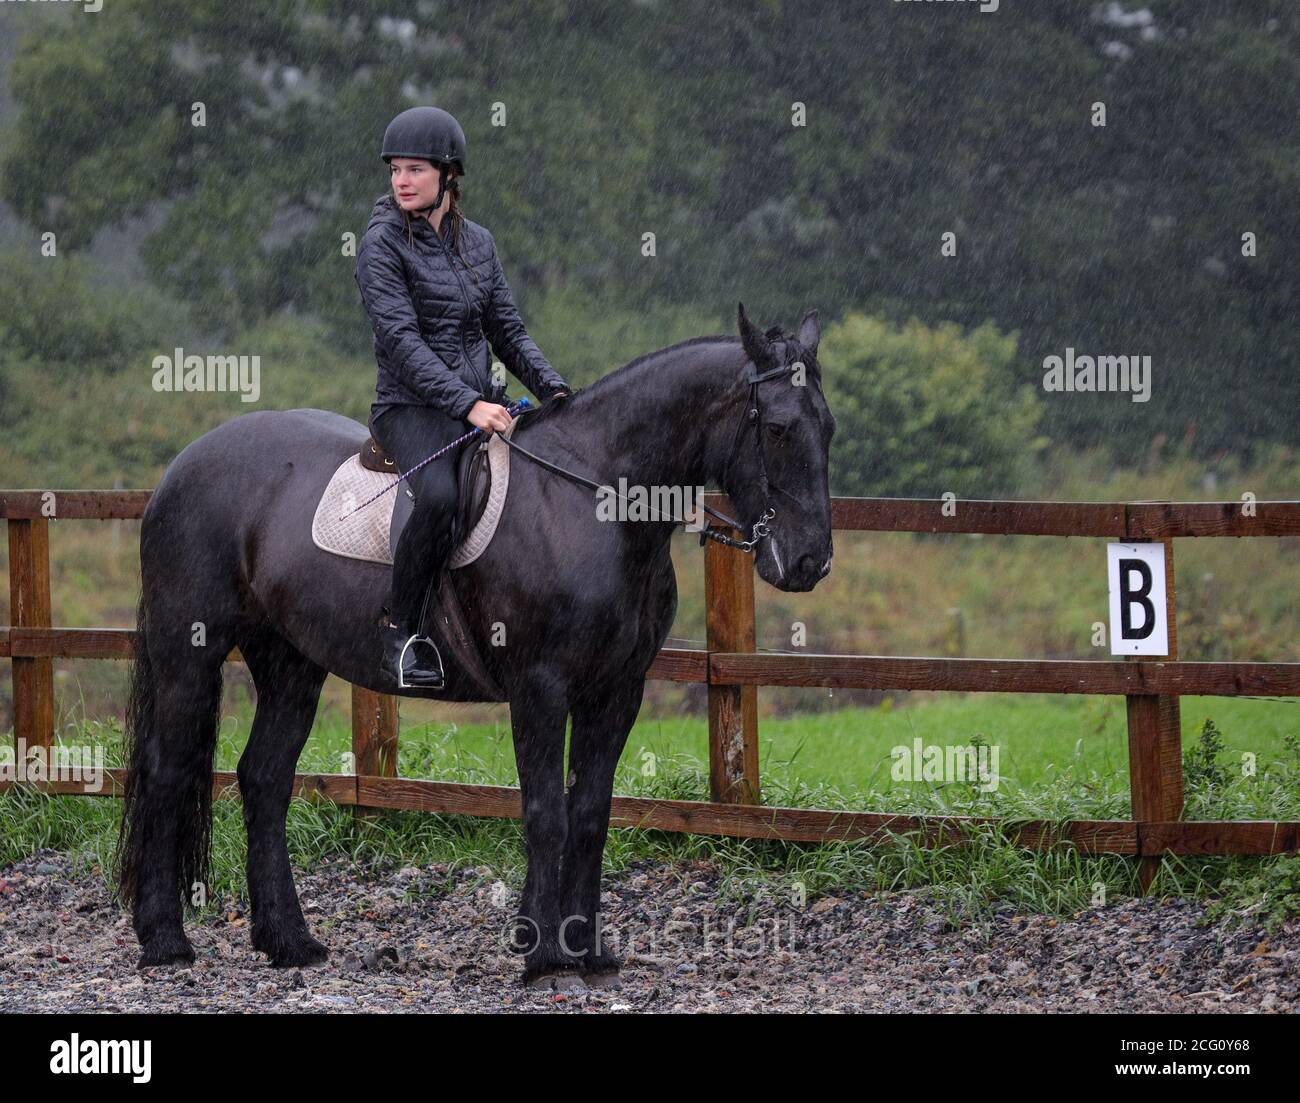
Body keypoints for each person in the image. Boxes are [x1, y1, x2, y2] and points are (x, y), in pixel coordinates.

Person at [355, 106, 570, 689]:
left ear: (448, 177)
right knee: (443, 496)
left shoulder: (478, 243)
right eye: (395, 170)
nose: (401, 180)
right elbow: (401, 344)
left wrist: (554, 389)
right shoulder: (380, 245)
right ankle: (401, 634)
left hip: (478, 401)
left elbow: (508, 331)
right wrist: (467, 405)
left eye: (415, 170)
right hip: (410, 408)